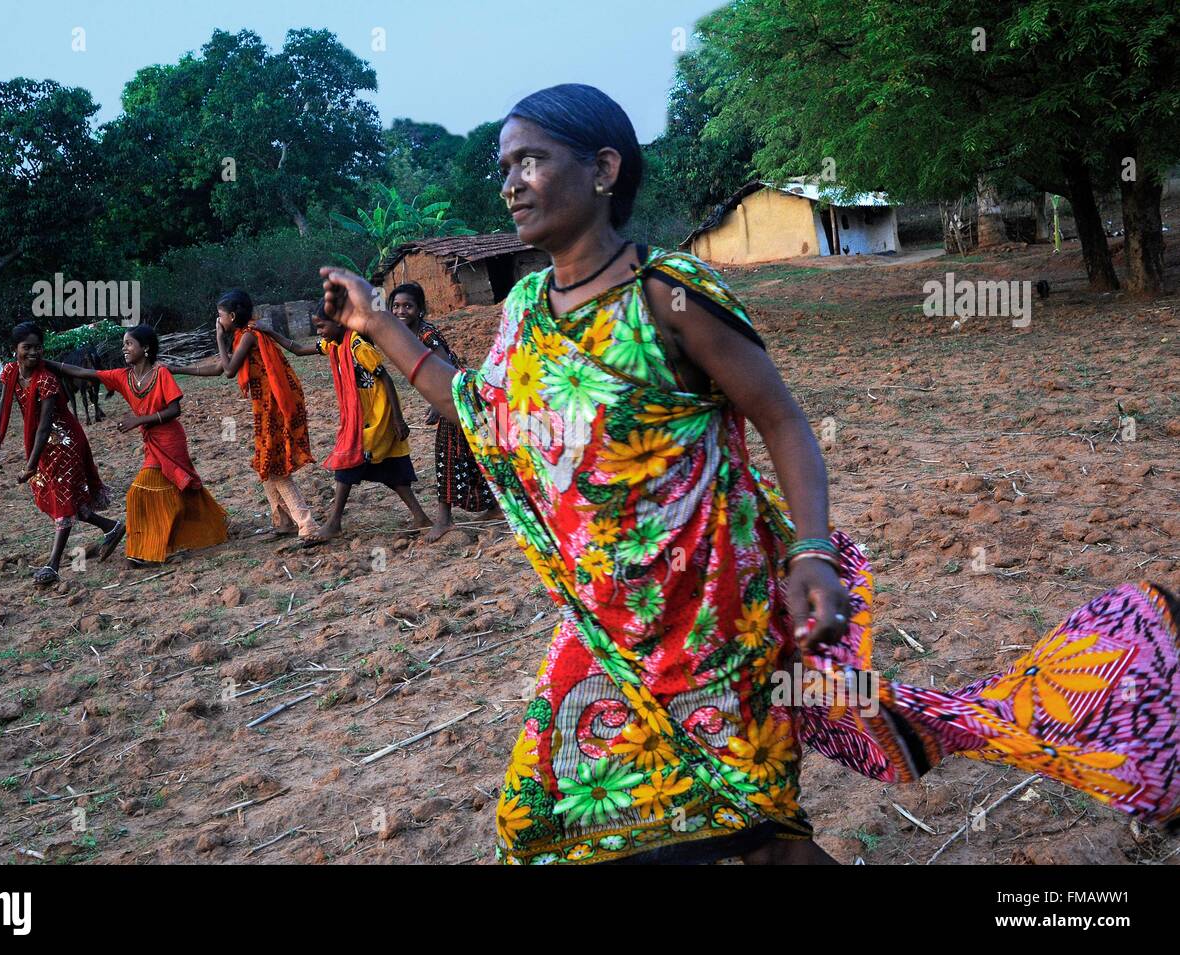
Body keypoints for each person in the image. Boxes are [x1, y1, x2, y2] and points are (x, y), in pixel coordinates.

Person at [316, 84, 1180, 865]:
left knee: (758, 836)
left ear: (604, 168)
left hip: (714, 621)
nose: (510, 182)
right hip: (603, 632)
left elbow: (780, 418)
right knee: (538, 817)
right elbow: (471, 405)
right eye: (504, 166)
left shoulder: (669, 294)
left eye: (532, 159)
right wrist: (372, 322)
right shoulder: (523, 311)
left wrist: (811, 552)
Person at [46, 325, 228, 565]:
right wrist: (49, 363)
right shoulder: (123, 377)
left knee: (140, 492)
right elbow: (83, 372)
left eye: (129, 344)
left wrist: (139, 420)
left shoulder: (160, 374)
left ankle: (147, 551)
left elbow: (175, 410)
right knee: (177, 489)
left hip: (171, 441)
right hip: (151, 444)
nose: (124, 348)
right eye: (124, 344)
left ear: (146, 348)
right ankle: (203, 529)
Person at [265, 302, 432, 542]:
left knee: (346, 463)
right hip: (359, 415)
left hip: (375, 415)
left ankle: (334, 524)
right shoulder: (334, 344)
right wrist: (270, 332)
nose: (319, 332)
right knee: (389, 470)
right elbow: (299, 349)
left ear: (340, 322)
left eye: (322, 326)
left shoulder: (357, 346)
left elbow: (386, 380)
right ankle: (421, 518)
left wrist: (398, 418)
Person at [169, 290, 318, 545]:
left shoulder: (249, 336)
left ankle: (307, 524)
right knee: (265, 462)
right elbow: (219, 367)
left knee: (274, 466)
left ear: (233, 316)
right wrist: (174, 369)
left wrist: (218, 338)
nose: (219, 321)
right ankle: (282, 522)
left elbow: (227, 371)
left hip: (274, 406)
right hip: (266, 406)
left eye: (220, 316)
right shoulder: (243, 336)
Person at [0, 321, 121, 586]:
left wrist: (30, 464)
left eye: (38, 347)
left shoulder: (47, 379)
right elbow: (4, 402)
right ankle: (111, 527)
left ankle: (53, 564)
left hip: (65, 442)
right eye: (27, 348)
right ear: (15, 350)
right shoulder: (10, 372)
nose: (33, 353)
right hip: (44, 443)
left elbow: (46, 424)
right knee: (65, 499)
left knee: (62, 498)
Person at [388, 282, 499, 542]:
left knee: (447, 455)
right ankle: (494, 505)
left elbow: (445, 368)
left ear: (420, 310)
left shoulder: (426, 335)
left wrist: (439, 404)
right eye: (396, 306)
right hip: (457, 398)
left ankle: (445, 520)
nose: (401, 311)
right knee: (470, 453)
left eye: (408, 306)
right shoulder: (410, 336)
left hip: (457, 398)